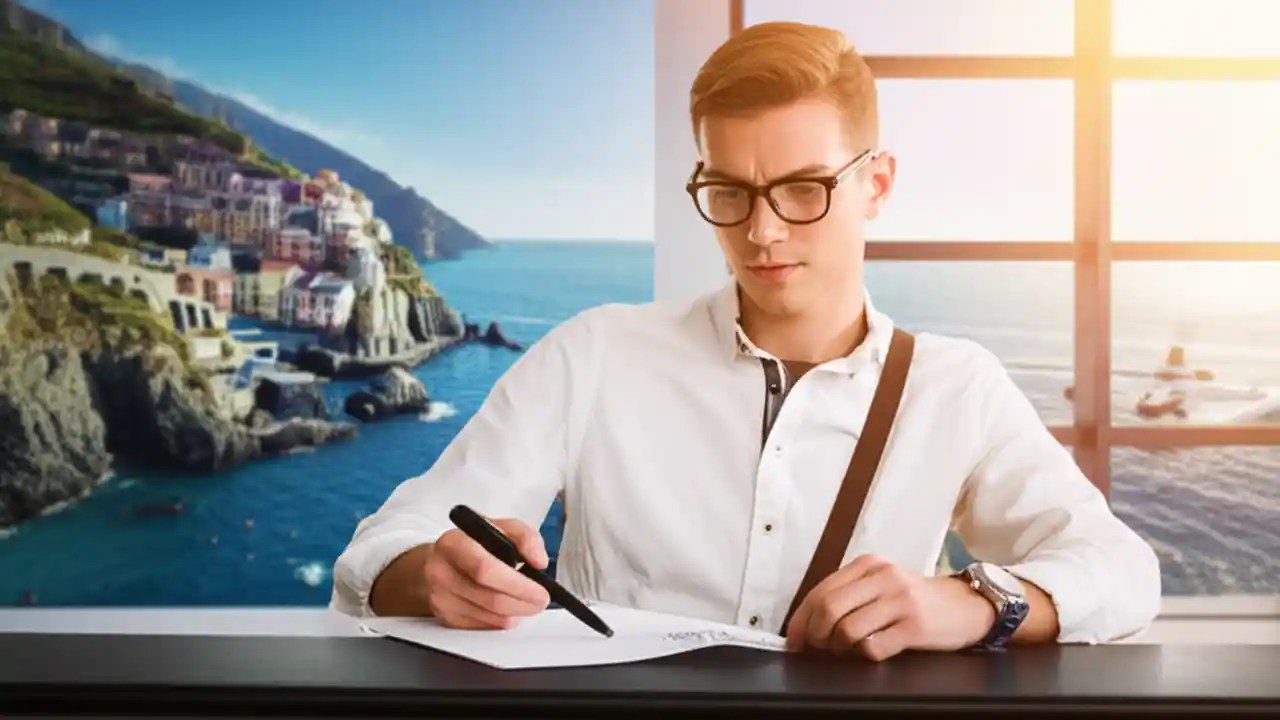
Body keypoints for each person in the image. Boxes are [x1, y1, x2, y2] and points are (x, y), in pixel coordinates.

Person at [331, 20, 1161, 660]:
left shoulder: (957, 387)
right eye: (728, 190)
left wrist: (979, 602)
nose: (761, 230)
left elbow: (1121, 571)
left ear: (876, 185)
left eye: (803, 189)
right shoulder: (594, 356)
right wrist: (434, 575)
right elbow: (381, 548)